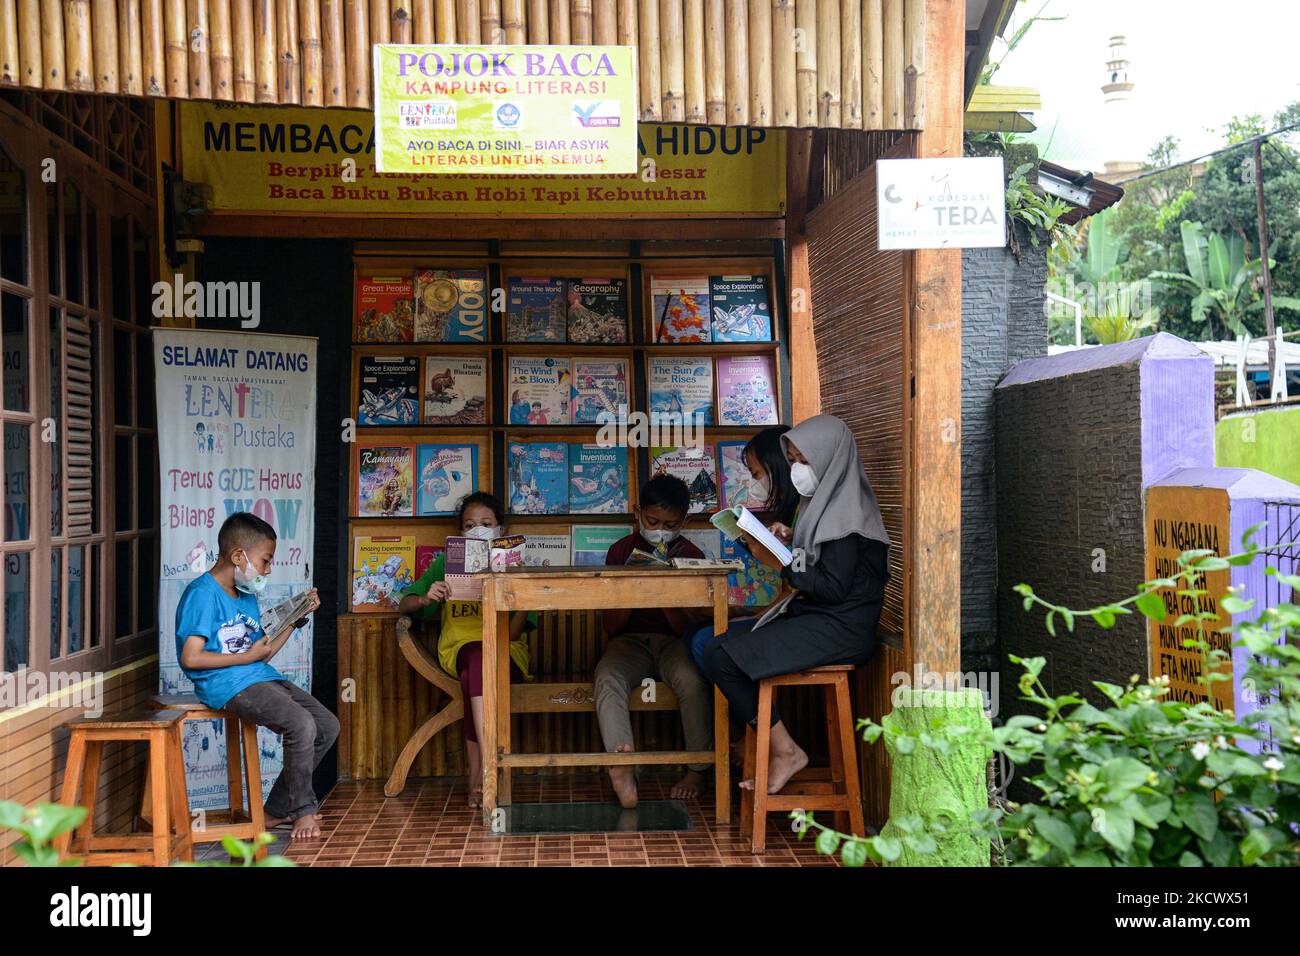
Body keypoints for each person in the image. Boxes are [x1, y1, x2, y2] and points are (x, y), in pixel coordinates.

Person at [697, 414, 890, 796]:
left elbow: (833, 589)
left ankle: (786, 752)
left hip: (841, 628)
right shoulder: (824, 507)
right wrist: (787, 542)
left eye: (804, 460)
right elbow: (821, 569)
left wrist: (783, 562)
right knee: (716, 647)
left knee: (722, 656)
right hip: (821, 619)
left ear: (830, 459)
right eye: (794, 461)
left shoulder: (847, 516)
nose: (797, 470)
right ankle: (784, 749)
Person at [175, 512, 334, 841]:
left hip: (258, 676)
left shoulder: (245, 596)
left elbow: (263, 651)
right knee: (301, 724)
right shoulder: (202, 594)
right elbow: (190, 657)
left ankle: (274, 811)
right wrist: (249, 657)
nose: (267, 570)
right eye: (265, 561)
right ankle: (302, 810)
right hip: (226, 685)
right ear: (238, 556)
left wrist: (294, 619)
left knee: (327, 725)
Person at [398, 492, 533, 809]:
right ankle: (490, 771)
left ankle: (480, 774)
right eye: (470, 525)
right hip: (457, 651)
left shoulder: (515, 567)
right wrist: (427, 597)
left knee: (480, 664)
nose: (478, 530)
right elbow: (404, 604)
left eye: (486, 524)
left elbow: (511, 636)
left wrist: (521, 593)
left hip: (505, 653)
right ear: (460, 534)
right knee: (475, 658)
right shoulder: (446, 563)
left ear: (501, 529)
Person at [595, 474, 712, 808]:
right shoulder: (620, 551)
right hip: (628, 640)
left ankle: (697, 769)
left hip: (674, 641)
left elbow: (686, 628)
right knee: (607, 676)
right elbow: (611, 626)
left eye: (671, 524)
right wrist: (635, 588)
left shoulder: (691, 552)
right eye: (652, 521)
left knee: (691, 679)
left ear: (684, 521)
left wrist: (664, 593)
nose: (661, 530)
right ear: (637, 513)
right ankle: (621, 765)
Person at [686, 425, 799, 669]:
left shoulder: (807, 511)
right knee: (695, 634)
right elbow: (789, 591)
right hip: (787, 614)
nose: (753, 483)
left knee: (704, 643)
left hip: (801, 624)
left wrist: (755, 618)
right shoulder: (792, 513)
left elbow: (802, 585)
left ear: (778, 466)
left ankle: (743, 707)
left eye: (756, 474)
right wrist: (753, 616)